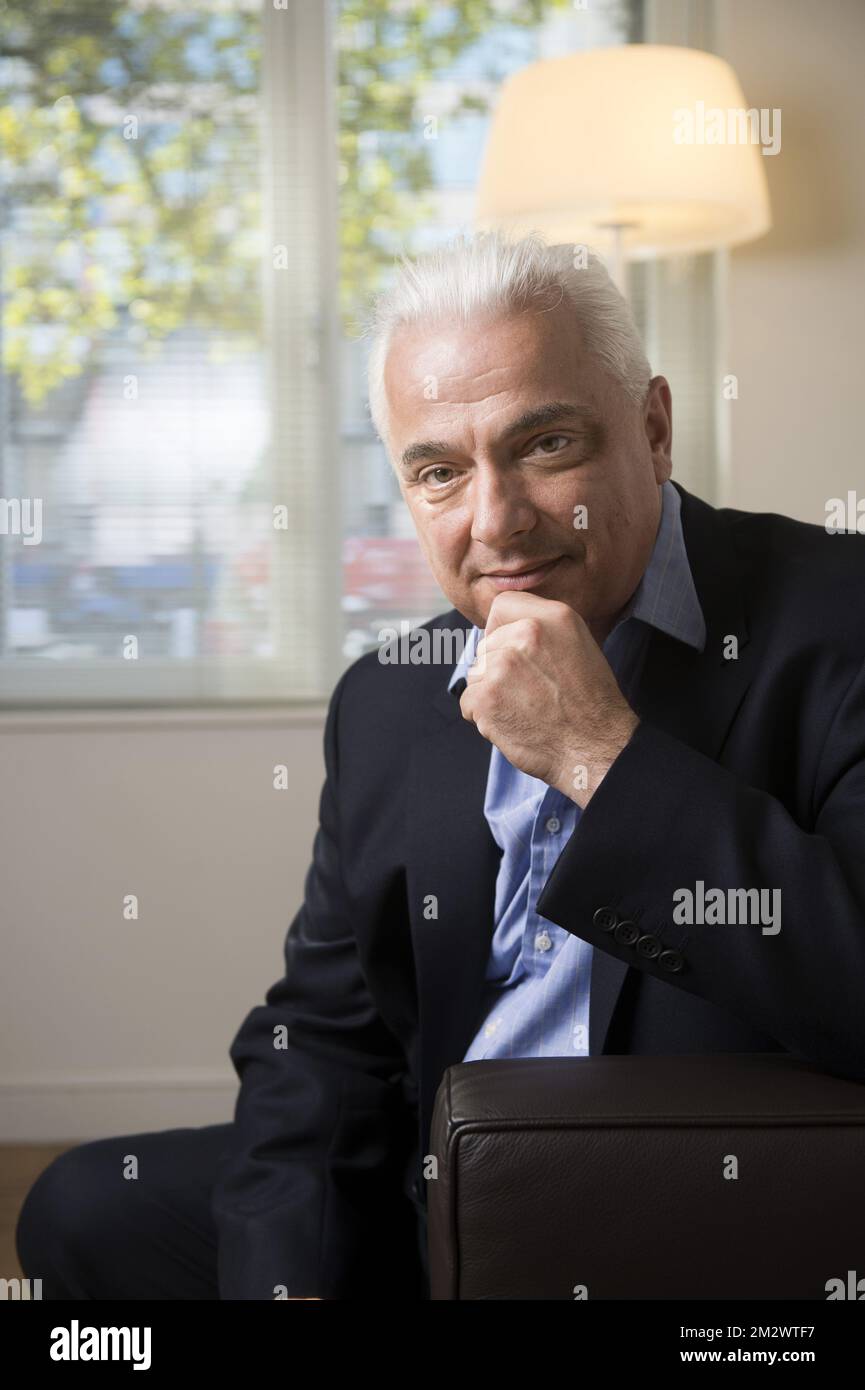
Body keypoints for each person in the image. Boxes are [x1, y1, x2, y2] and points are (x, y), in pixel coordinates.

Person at [17, 231, 865, 1301]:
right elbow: (323, 1045)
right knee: (87, 1210)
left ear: (652, 428)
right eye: (438, 472)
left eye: (546, 445)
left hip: (705, 1209)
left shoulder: (837, 618)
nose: (495, 521)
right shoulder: (388, 698)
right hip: (453, 1192)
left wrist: (602, 756)